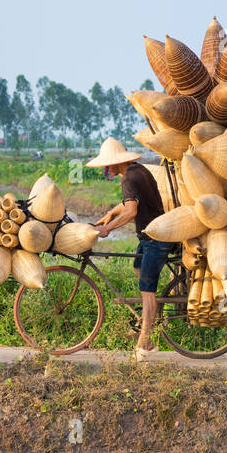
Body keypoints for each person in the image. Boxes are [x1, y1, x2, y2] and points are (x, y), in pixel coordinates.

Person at [87, 138, 175, 360]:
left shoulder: (128, 178)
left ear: (116, 163)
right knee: (138, 268)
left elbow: (131, 212)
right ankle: (148, 319)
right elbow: (130, 203)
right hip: (150, 235)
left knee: (147, 291)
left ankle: (144, 343)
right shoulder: (138, 170)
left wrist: (108, 228)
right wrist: (111, 213)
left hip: (156, 238)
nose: (107, 169)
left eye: (108, 165)